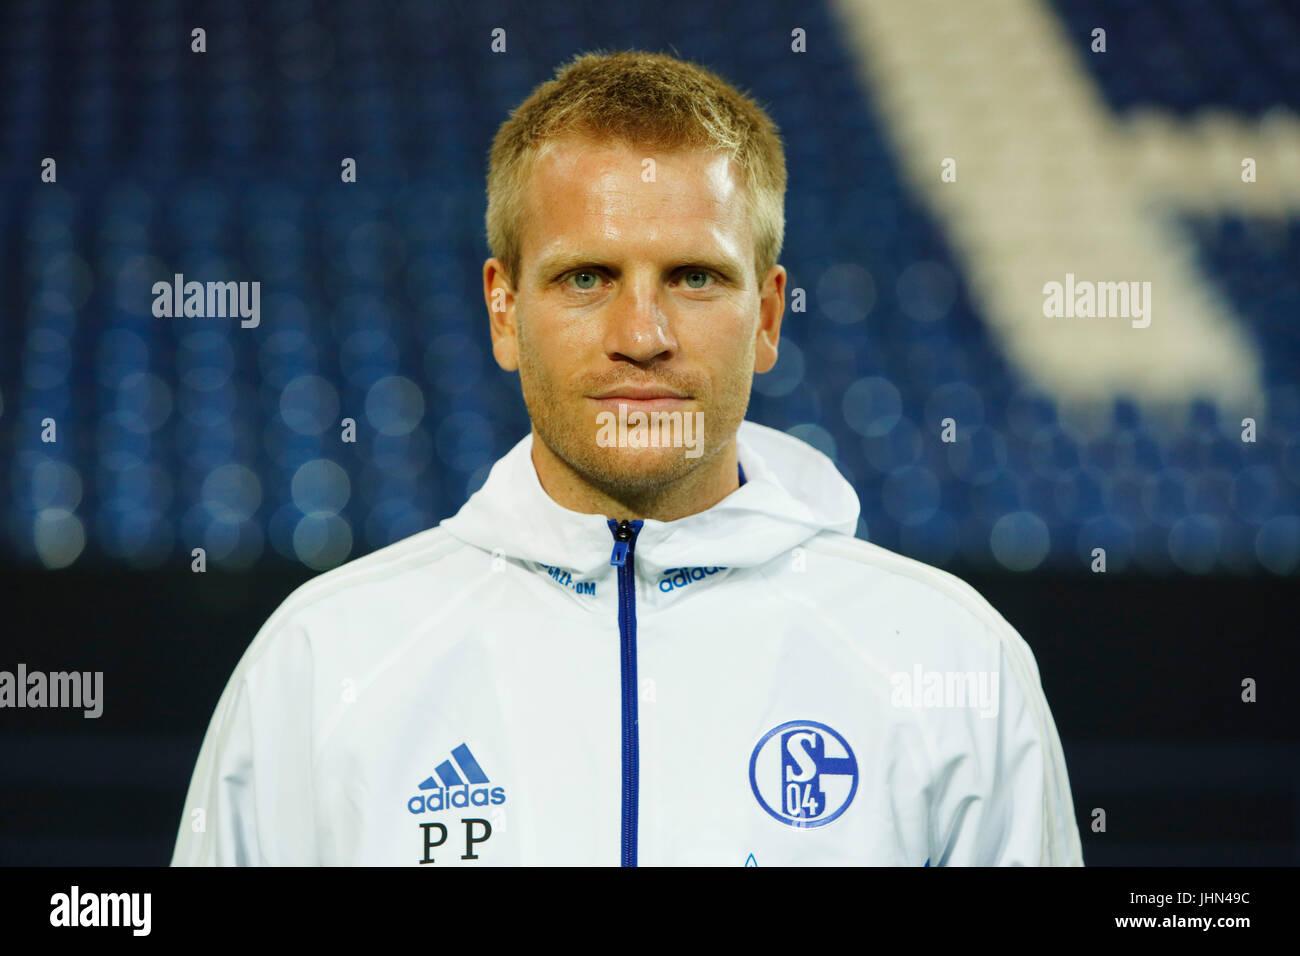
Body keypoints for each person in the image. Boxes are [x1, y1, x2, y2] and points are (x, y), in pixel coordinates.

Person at [171, 49, 1083, 866]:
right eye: (586, 278)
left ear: (766, 316)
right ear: (503, 310)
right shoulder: (320, 661)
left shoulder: (955, 664)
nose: (641, 335)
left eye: (693, 277)